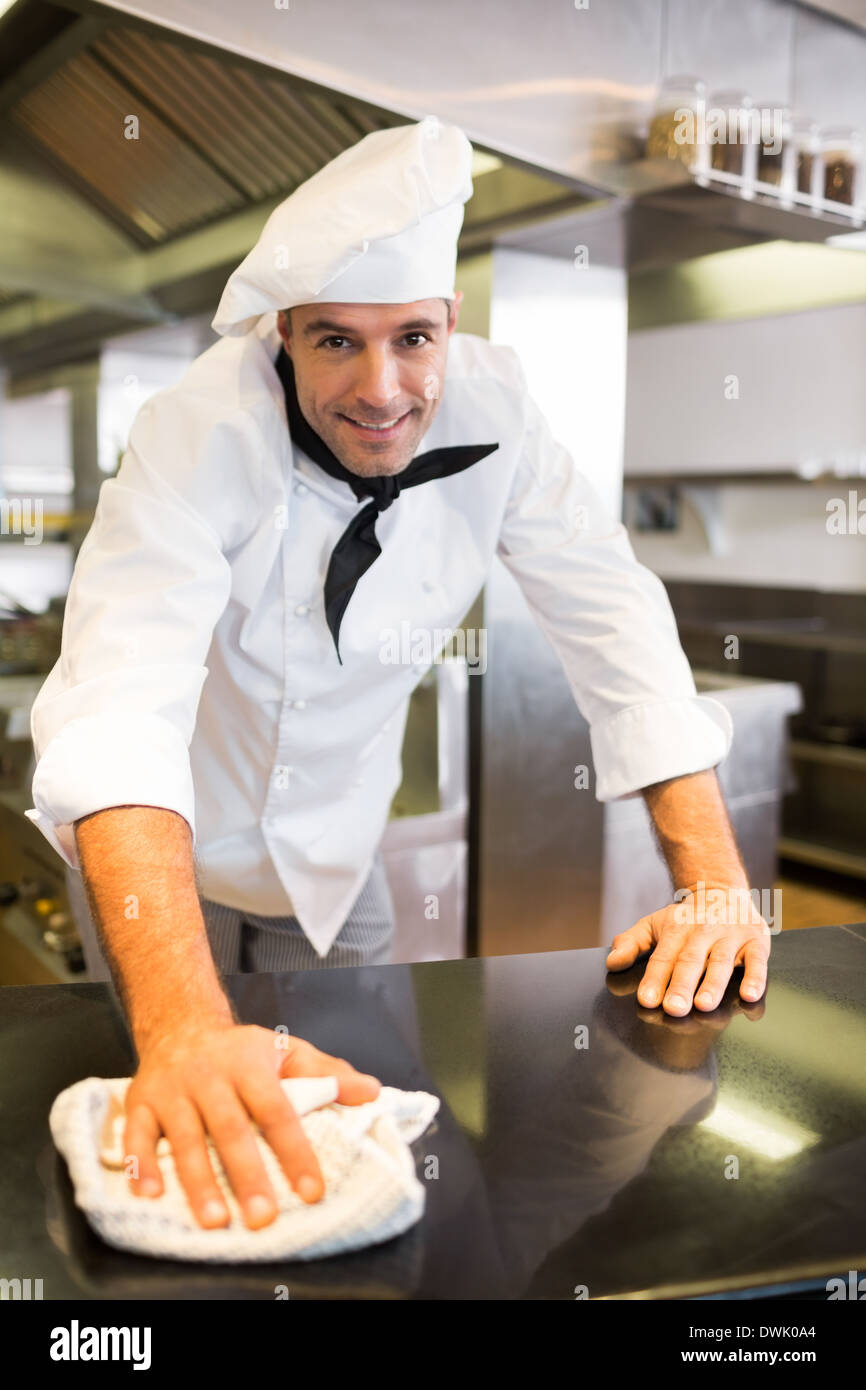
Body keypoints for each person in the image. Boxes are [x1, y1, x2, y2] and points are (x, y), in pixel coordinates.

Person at [26, 116, 770, 1232]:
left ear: (450, 321)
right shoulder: (196, 432)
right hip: (155, 865)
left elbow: (612, 619)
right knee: (194, 1159)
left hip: (338, 862)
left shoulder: (499, 409)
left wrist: (710, 877)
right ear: (282, 332)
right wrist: (182, 1023)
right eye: (334, 341)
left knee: (377, 1148)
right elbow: (119, 703)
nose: (381, 388)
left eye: (411, 339)